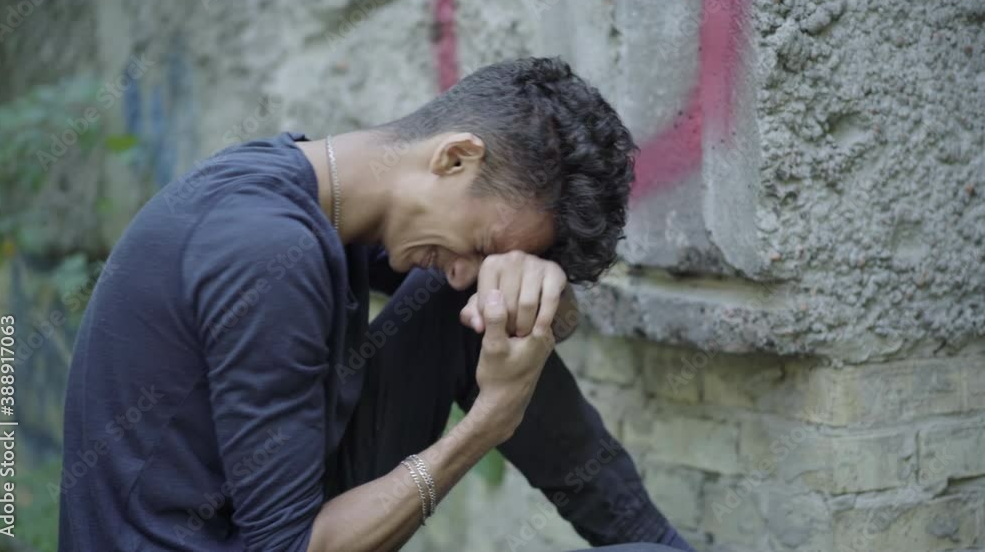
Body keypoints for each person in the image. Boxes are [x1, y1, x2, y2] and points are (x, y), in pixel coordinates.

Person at [57, 57, 695, 552]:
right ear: (454, 157)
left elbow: (483, 296)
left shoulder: (295, 186)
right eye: (479, 245)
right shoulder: (266, 253)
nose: (463, 270)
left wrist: (537, 297)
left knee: (471, 301)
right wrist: (486, 425)